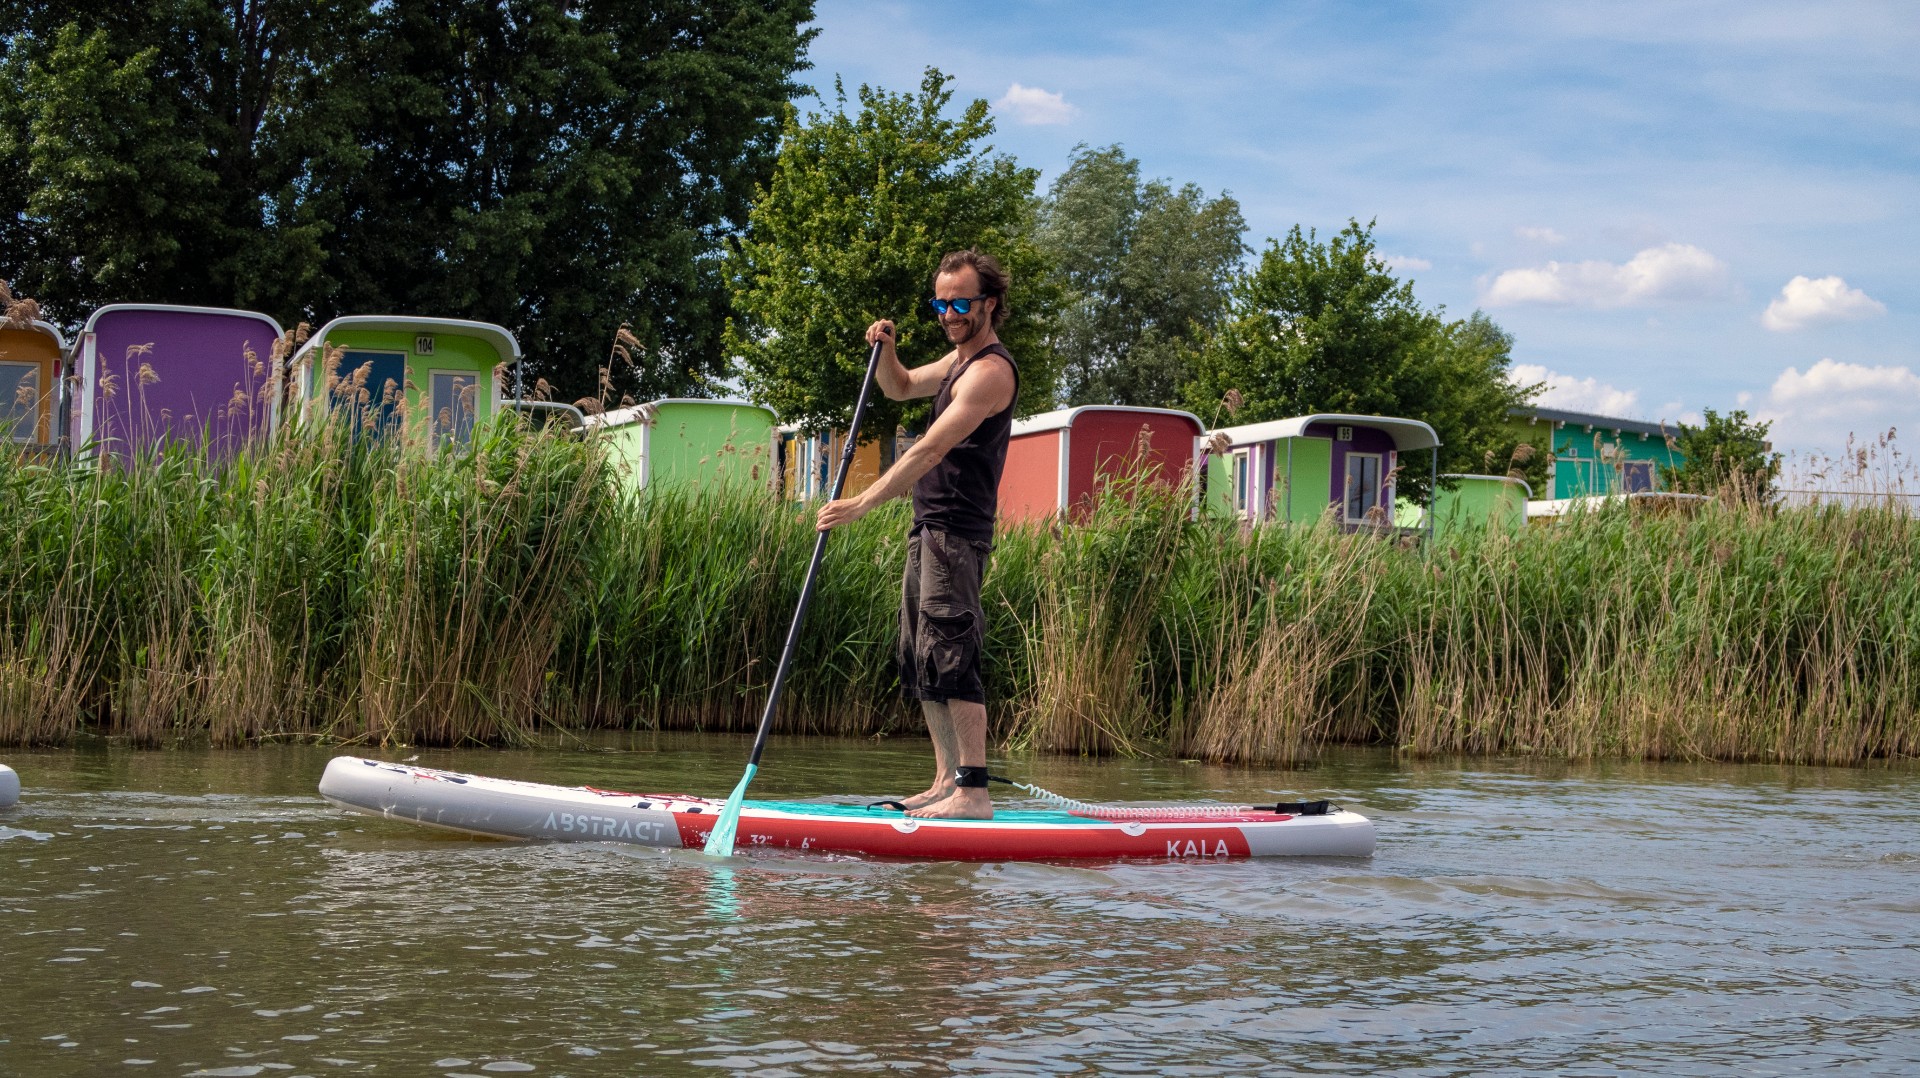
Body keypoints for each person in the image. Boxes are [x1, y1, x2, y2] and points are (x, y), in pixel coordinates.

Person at [814, 249, 1019, 820]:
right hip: (928, 527)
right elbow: (898, 386)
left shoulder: (989, 371)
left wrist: (862, 501)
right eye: (941, 302)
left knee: (951, 654)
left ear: (989, 304)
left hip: (957, 530)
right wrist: (887, 350)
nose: (949, 313)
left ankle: (973, 792)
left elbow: (930, 447)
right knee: (921, 655)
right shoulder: (954, 362)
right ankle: (943, 781)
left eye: (960, 302)